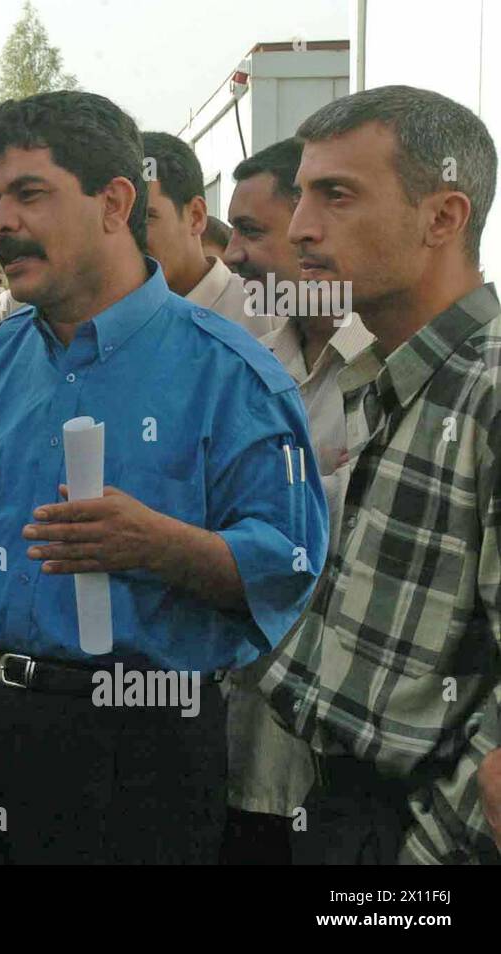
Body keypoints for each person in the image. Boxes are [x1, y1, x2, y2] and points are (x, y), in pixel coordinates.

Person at [0, 90, 327, 864]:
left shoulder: (230, 373)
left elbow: (288, 565)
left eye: (30, 194)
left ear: (116, 202)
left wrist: (158, 545)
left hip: (135, 745)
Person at [262, 85, 501, 865]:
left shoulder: (487, 392)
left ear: (443, 218)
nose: (300, 227)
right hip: (342, 809)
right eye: (301, 194)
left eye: (337, 195)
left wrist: (424, 857)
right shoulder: (397, 379)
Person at [218, 135, 374, 865]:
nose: (234, 256)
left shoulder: (391, 367)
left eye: (251, 232)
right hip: (240, 749)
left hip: (350, 770)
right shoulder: (245, 363)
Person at [141, 131, 282, 338]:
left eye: (145, 218)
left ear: (196, 216)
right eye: (116, 219)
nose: (128, 236)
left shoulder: (266, 315)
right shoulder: (104, 321)